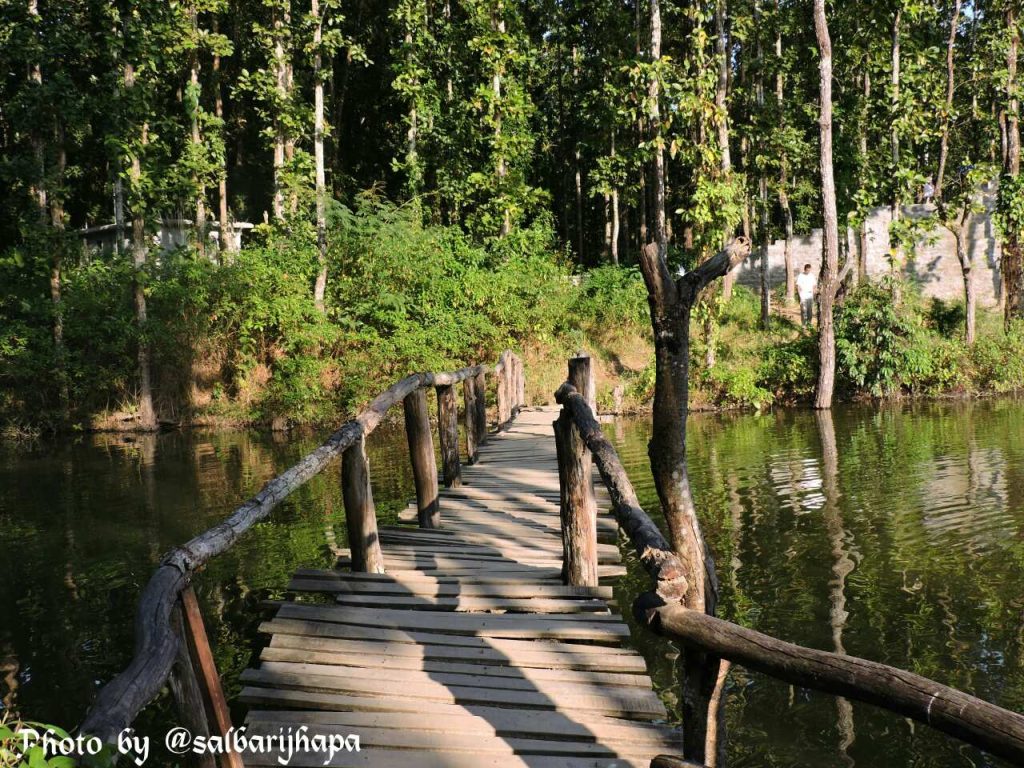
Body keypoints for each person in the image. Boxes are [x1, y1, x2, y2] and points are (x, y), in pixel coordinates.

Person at [796, 263, 817, 328]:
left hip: (810, 295)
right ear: (805, 269)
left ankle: (809, 323)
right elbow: (798, 286)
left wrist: (814, 293)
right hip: (803, 295)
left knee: (810, 310)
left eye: (809, 270)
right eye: (807, 270)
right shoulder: (800, 276)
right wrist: (800, 296)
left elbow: (814, 285)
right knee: (803, 310)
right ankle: (803, 324)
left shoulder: (812, 276)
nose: (808, 271)